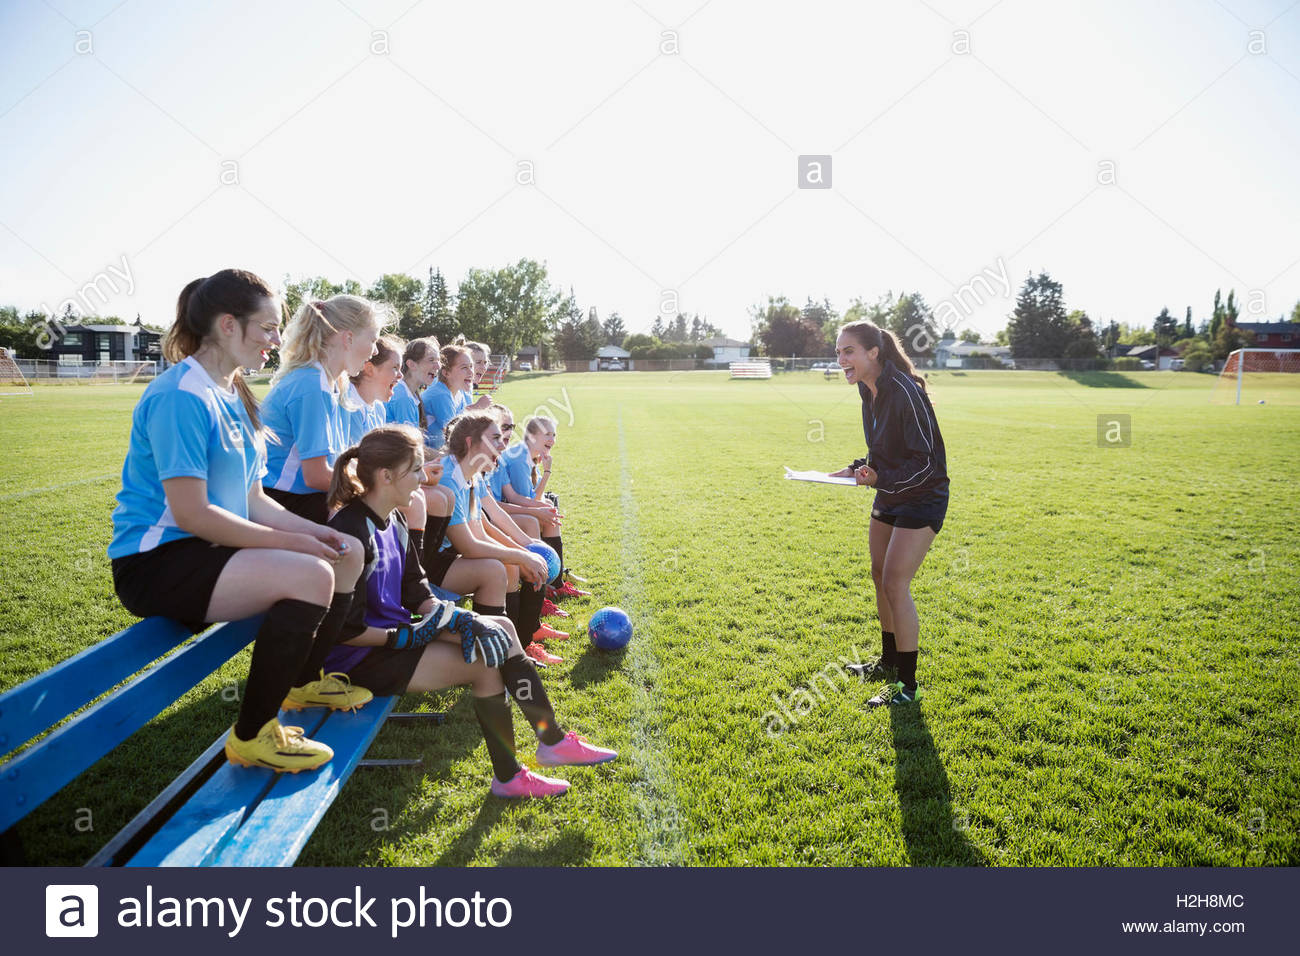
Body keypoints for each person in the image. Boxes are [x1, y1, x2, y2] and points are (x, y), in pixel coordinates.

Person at [107, 269, 369, 774]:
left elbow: (253, 500)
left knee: (345, 552)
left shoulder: (234, 393)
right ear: (228, 325)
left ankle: (306, 681)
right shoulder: (180, 395)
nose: (277, 341)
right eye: (268, 328)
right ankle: (253, 734)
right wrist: (295, 546)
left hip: (208, 551)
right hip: (156, 562)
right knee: (311, 573)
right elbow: (192, 513)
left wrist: (316, 532)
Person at [323, 425, 617, 797]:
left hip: (393, 639)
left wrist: (451, 616)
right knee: (487, 663)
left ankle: (548, 743)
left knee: (501, 629)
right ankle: (517, 770)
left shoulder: (394, 519)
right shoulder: (351, 535)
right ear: (385, 476)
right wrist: (410, 634)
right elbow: (343, 633)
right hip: (358, 660)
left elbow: (416, 590)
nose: (424, 478)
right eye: (415, 470)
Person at [829, 320, 949, 707]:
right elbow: (882, 452)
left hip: (923, 495)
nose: (841, 359)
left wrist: (880, 476)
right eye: (838, 352)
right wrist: (858, 468)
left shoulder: (904, 390)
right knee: (879, 575)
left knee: (896, 583)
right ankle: (887, 661)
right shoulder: (869, 391)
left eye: (848, 351)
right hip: (890, 492)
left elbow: (926, 461)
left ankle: (907, 688)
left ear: (873, 352)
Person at [425, 411, 562, 665]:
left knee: (508, 566)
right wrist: (522, 554)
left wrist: (527, 548)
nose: (503, 445)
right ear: (470, 442)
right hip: (428, 565)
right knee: (495, 570)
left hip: (450, 554)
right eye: (495, 438)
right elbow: (468, 544)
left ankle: (516, 647)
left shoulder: (471, 472)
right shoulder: (448, 476)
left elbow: (483, 526)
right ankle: (495, 654)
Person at [260, 296, 384, 523]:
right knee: (372, 515)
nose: (375, 351)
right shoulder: (311, 383)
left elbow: (334, 464)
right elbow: (316, 476)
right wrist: (378, 490)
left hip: (302, 497)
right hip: (280, 500)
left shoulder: (332, 382)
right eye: (373, 340)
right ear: (348, 338)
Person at [499, 414, 590, 599]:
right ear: (532, 436)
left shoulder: (531, 456)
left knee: (549, 511)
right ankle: (542, 584)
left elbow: (533, 497)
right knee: (541, 514)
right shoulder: (518, 460)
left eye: (554, 435)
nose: (552, 439)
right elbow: (521, 499)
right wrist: (547, 472)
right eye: (547, 434)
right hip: (505, 512)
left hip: (511, 508)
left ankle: (556, 582)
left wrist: (544, 505)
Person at [347, 335, 402, 445]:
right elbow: (353, 459)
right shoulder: (350, 405)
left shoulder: (379, 408)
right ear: (369, 369)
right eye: (395, 368)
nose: (401, 376)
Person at [385, 337, 438, 432]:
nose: (438, 366)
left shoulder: (409, 393)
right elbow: (407, 443)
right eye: (431, 360)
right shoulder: (403, 397)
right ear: (412, 364)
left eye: (438, 361)